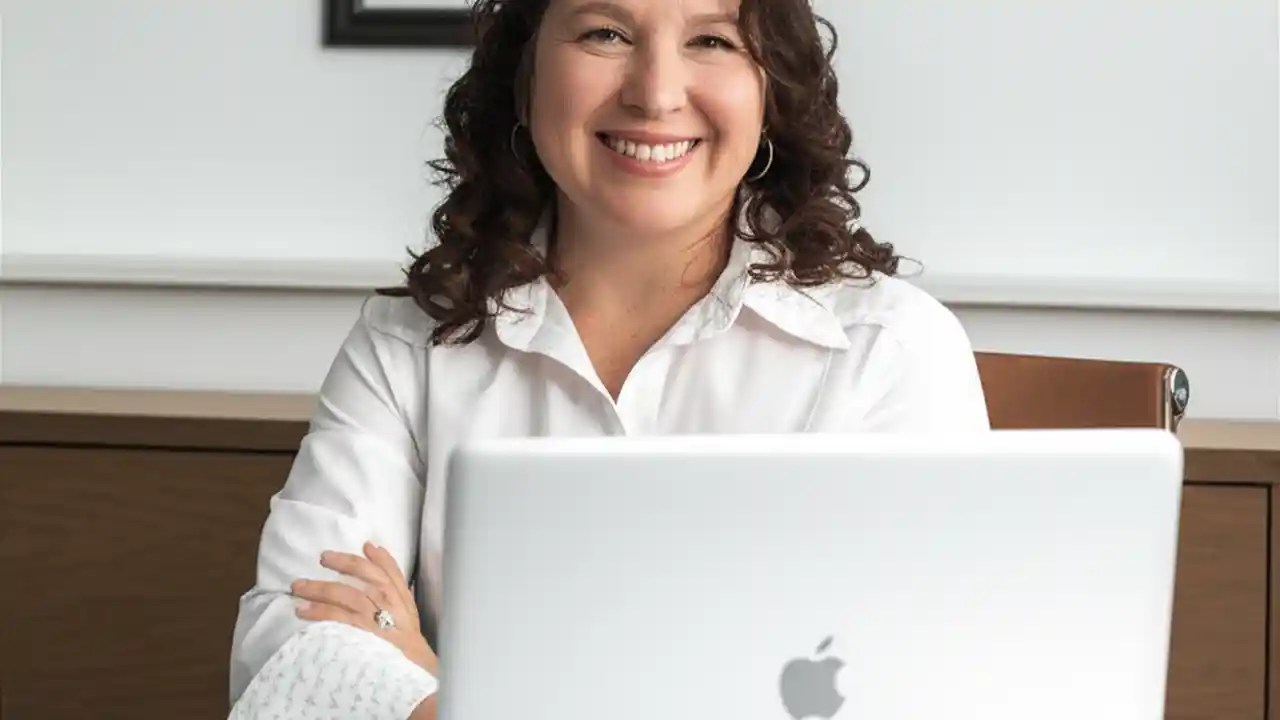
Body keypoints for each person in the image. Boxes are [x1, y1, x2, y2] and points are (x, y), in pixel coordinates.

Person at [228, 0, 990, 717]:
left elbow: (923, 688)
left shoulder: (888, 352)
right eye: (605, 34)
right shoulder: (407, 343)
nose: (656, 94)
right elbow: (292, 650)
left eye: (712, 40)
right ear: (525, 79)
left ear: (771, 94)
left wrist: (440, 691)